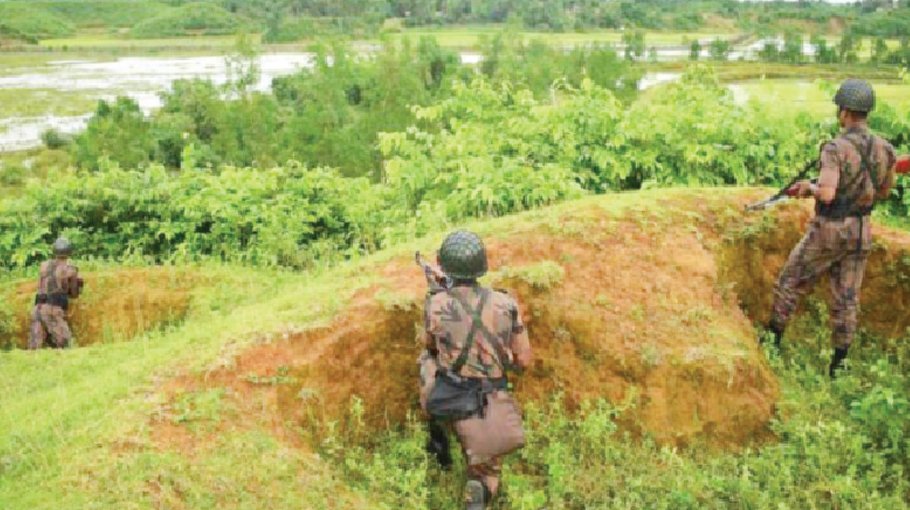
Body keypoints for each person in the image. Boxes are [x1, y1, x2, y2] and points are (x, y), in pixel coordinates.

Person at [767, 79, 897, 378]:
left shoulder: (835, 149)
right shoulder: (885, 149)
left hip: (830, 230)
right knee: (847, 298)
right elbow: (886, 191)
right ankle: (839, 365)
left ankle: (772, 343)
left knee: (790, 281)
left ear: (844, 112)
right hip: (862, 230)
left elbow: (826, 192)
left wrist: (808, 187)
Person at [418, 230, 532, 510]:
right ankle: (479, 490)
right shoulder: (506, 304)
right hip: (490, 398)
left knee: (425, 361)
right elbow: (524, 361)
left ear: (444, 266)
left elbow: (430, 346)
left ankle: (437, 435)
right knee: (487, 472)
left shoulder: (435, 304)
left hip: (449, 395)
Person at [28, 237, 83, 349]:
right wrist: (78, 283)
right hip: (52, 310)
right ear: (69, 252)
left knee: (34, 348)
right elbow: (74, 294)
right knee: (66, 345)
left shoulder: (43, 266)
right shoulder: (70, 269)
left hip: (37, 308)